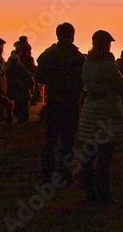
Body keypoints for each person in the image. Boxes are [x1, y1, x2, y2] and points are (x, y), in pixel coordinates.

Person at [77, 30, 123, 207]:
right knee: (104, 156)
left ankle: (90, 193)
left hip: (89, 110)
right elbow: (122, 86)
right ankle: (104, 193)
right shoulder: (108, 65)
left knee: (88, 156)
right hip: (105, 110)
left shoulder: (87, 63)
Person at [35, 24, 86, 184]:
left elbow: (40, 77)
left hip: (54, 101)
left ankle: (47, 173)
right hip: (71, 102)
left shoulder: (49, 55)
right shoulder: (78, 57)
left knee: (50, 138)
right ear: (72, 35)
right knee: (68, 140)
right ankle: (65, 173)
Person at [5, 52, 34, 123]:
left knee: (18, 104)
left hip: (16, 89)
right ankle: (23, 118)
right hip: (22, 89)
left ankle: (18, 118)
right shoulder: (21, 68)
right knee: (23, 105)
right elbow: (29, 78)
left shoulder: (9, 69)